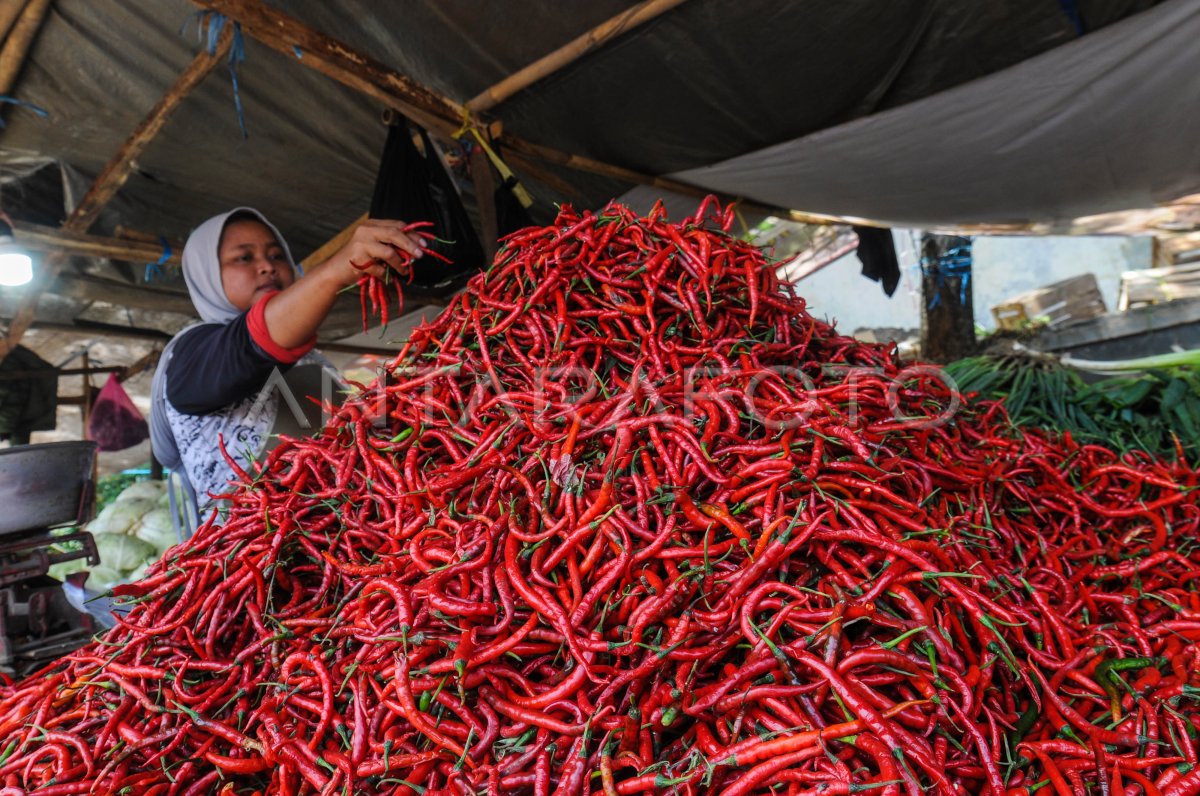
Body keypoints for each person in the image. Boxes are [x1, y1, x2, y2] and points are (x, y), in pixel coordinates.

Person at [149, 207, 425, 536]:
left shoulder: (314, 359)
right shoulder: (190, 354)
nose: (267, 266)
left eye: (277, 255)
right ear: (206, 274)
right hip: (255, 564)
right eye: (243, 258)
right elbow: (250, 345)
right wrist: (335, 271)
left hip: (352, 540)